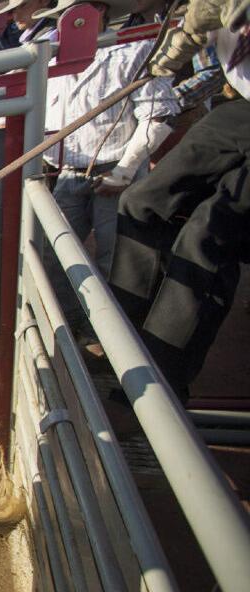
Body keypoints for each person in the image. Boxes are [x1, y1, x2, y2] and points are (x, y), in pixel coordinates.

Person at [108, 0, 250, 401]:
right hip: (242, 107)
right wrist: (165, 61)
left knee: (208, 232)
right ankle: (122, 340)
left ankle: (161, 383)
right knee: (142, 202)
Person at [36, 0, 179, 350]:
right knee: (54, 253)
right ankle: (72, 323)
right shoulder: (50, 61)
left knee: (116, 258)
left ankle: (107, 337)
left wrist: (125, 170)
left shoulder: (133, 52)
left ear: (99, 10)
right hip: (67, 173)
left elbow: (159, 117)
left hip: (116, 172)